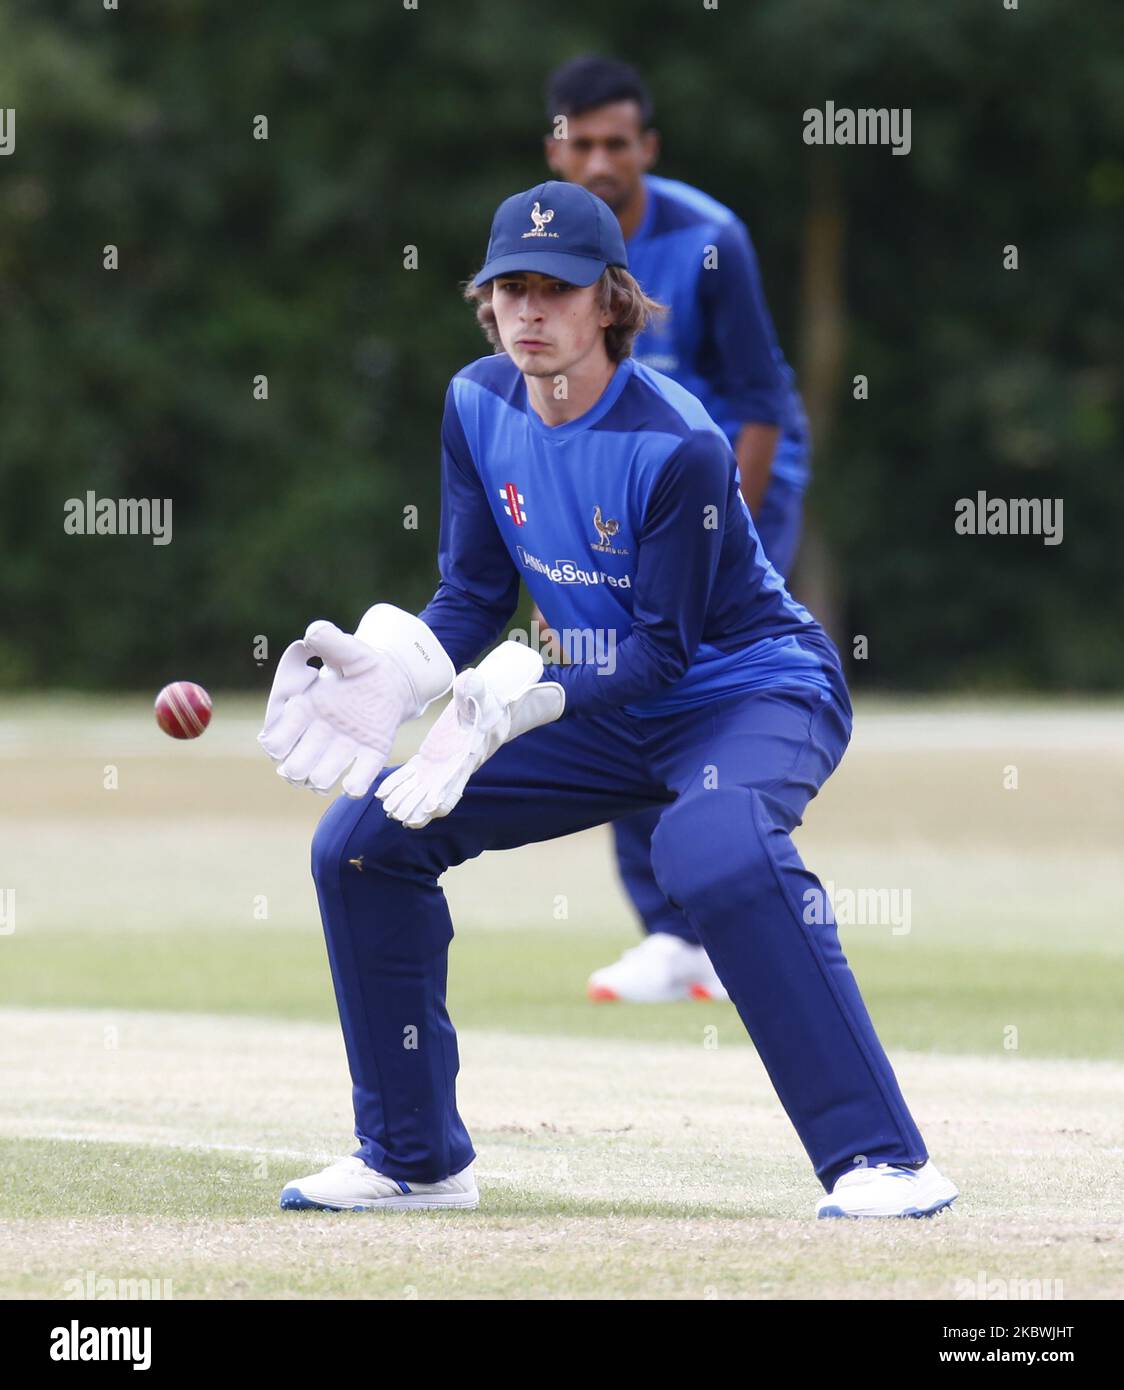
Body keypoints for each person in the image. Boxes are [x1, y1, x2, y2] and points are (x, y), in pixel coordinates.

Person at [258, 180, 958, 1220]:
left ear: (609, 303)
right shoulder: (473, 402)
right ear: (485, 301)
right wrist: (400, 667)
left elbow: (664, 653)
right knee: (359, 846)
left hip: (750, 685)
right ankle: (413, 1159)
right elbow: (472, 594)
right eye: (510, 290)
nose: (530, 312)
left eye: (557, 289)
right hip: (590, 702)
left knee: (709, 854)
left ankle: (883, 1161)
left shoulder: (679, 443)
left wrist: (525, 690)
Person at [542, 56, 812, 1002]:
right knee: (615, 677)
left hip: (734, 480)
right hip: (620, 493)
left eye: (620, 143)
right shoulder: (539, 251)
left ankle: (735, 911)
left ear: (647, 148)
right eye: (584, 142)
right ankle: (669, 935)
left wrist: (713, 532)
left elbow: (759, 398)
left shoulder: (711, 238)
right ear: (557, 148)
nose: (602, 160)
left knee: (711, 679)